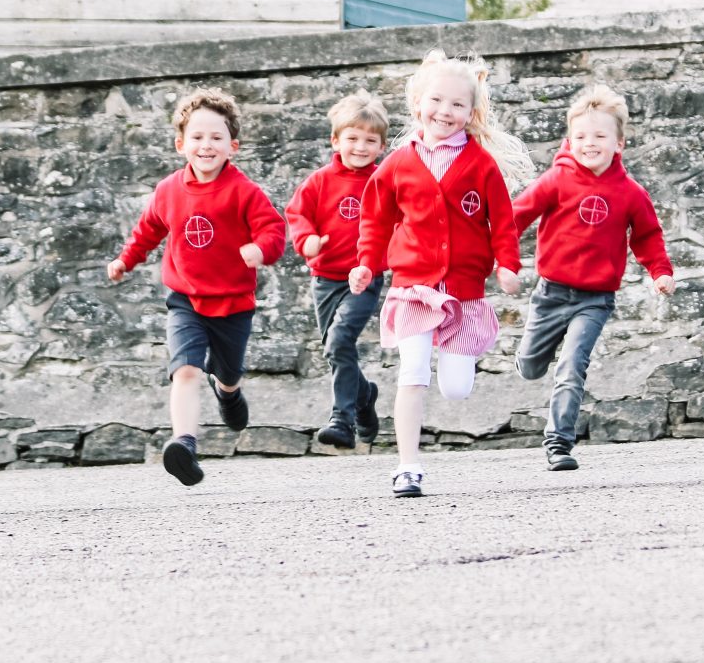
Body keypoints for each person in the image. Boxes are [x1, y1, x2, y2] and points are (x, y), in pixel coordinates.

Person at [350, 51, 531, 498]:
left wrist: (508, 264)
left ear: (471, 112)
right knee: (412, 373)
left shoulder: (481, 164)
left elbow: (502, 222)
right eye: (436, 100)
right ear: (417, 104)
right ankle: (407, 467)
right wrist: (366, 263)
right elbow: (375, 220)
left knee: (455, 388)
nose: (445, 111)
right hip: (413, 288)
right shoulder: (397, 164)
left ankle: (458, 359)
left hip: (464, 292)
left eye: (457, 104)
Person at [108, 89, 286, 487]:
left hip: (233, 304)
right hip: (185, 300)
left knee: (227, 372)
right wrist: (125, 260)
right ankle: (184, 444)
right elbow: (148, 231)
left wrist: (261, 249)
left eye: (216, 137)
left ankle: (228, 391)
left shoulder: (244, 192)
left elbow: (274, 231)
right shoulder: (168, 190)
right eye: (198, 137)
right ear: (181, 144)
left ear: (232, 146)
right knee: (185, 370)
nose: (206, 145)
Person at [510, 84, 674, 472]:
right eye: (581, 136)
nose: (589, 143)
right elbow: (517, 216)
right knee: (531, 367)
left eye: (600, 136)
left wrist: (661, 272)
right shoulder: (555, 180)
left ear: (619, 143)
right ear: (570, 141)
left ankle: (558, 444)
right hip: (551, 294)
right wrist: (496, 255)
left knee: (572, 365)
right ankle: (530, 356)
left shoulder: (631, 193)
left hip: (594, 300)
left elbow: (648, 236)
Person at [286, 91, 391, 451]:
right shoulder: (319, 181)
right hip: (325, 280)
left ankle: (341, 420)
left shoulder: (384, 181)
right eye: (353, 138)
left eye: (370, 141)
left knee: (340, 339)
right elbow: (297, 214)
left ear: (381, 146)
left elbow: (400, 221)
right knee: (335, 348)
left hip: (364, 278)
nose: (360, 147)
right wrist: (307, 240)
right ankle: (365, 396)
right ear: (335, 140)